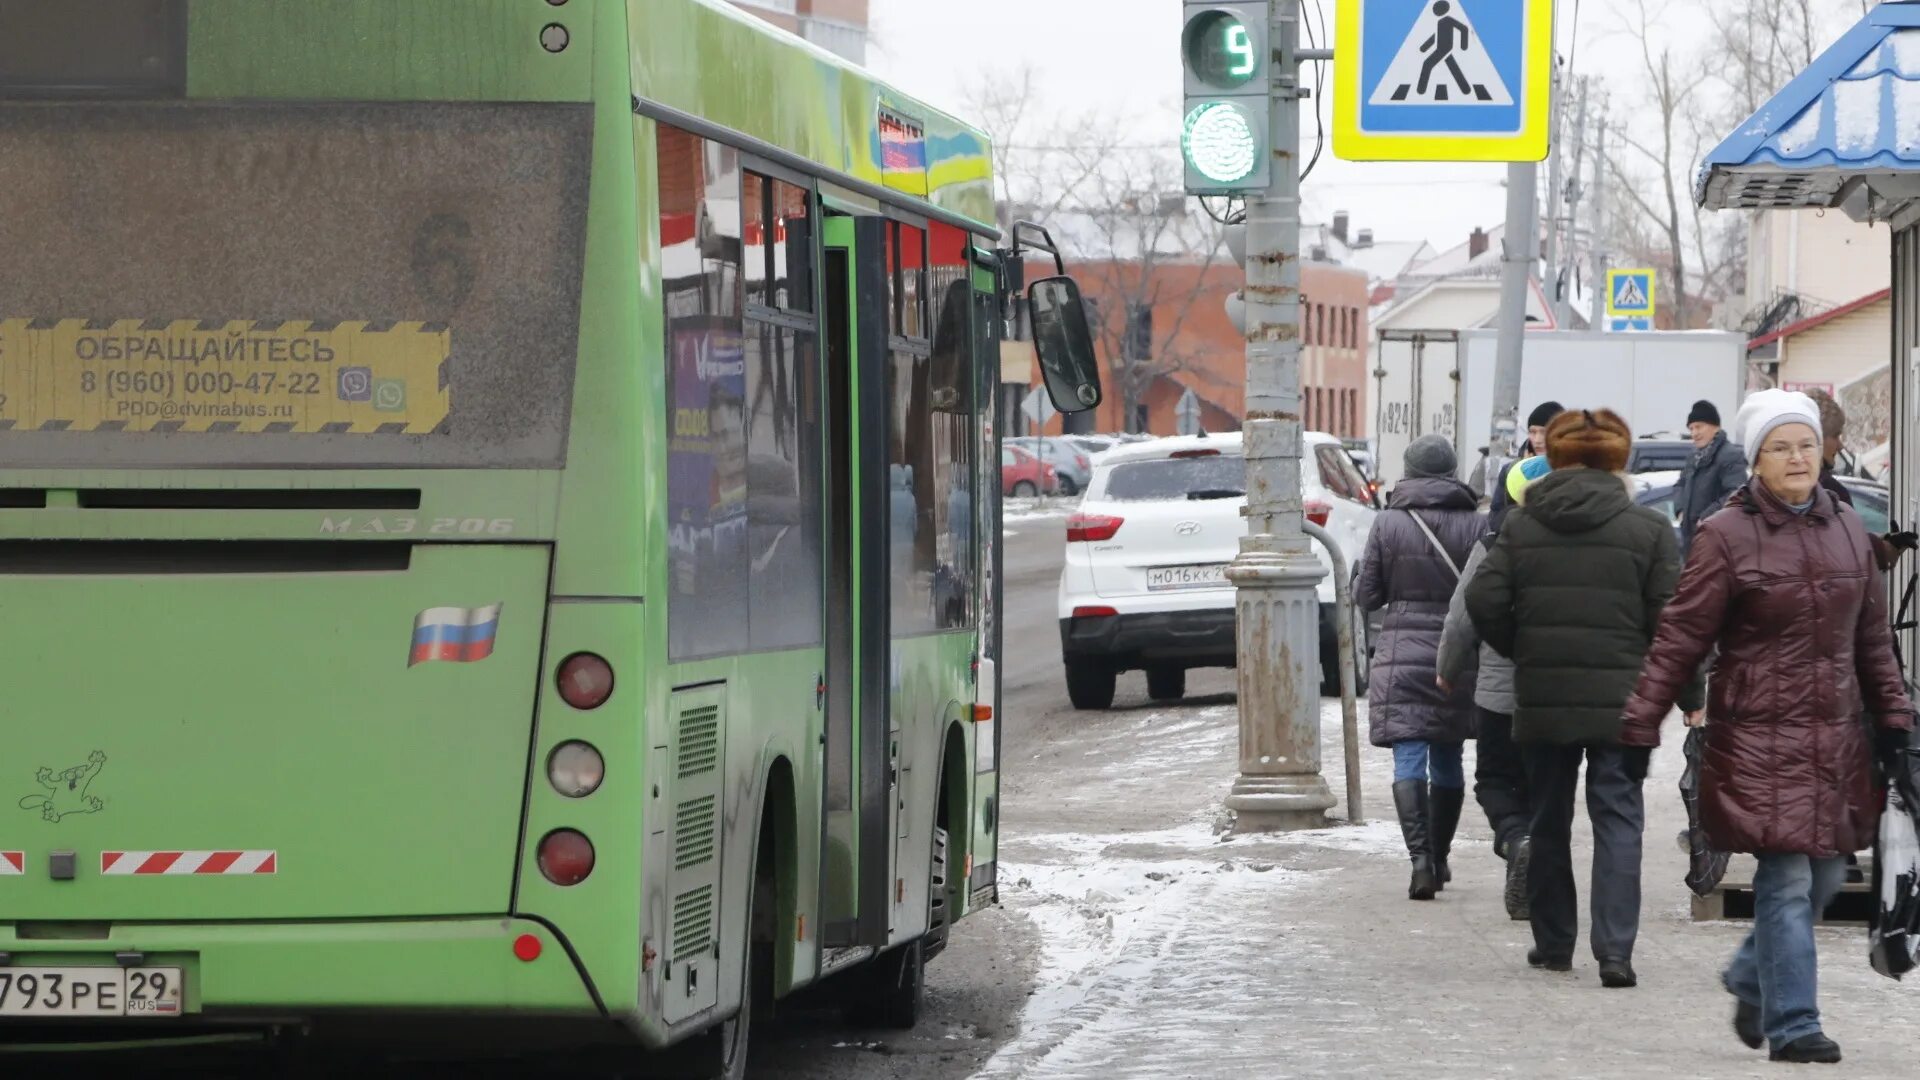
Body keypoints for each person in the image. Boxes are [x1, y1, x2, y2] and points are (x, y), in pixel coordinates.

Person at [1623, 389, 1914, 1063]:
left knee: (1827, 876)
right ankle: (1795, 1025)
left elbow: (1873, 640)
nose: (1797, 459)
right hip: (1757, 737)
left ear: (1823, 452)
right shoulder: (1724, 536)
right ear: (1755, 459)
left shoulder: (1846, 526)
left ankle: (1750, 975)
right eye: (1781, 447)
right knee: (1784, 881)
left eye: (1807, 445)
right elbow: (1679, 638)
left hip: (1836, 738)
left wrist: (1894, 721)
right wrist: (1640, 727)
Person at [1466, 408, 1688, 989]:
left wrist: (1522, 647)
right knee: (1619, 818)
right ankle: (1615, 952)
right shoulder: (1648, 529)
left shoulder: (1522, 525)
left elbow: (1483, 599)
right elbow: (1672, 620)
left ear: (1555, 459)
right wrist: (1691, 692)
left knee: (1548, 815)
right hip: (1625, 701)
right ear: (1621, 461)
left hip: (1544, 695)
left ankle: (1554, 942)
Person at [1356, 434, 1488, 901]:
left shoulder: (1388, 522)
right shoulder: (1477, 524)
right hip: (1456, 655)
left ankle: (1419, 863)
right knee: (1449, 754)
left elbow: (1367, 596)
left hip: (1401, 651)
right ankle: (1440, 853)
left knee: (1409, 753)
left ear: (1409, 471)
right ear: (1452, 471)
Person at [1437, 449, 1547, 922]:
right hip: (1556, 693)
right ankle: (1533, 875)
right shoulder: (1572, 544)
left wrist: (1448, 667)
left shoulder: (1492, 545)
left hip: (1500, 696)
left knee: (1495, 781)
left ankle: (1516, 840)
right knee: (1543, 786)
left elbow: (1463, 619)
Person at [1674, 399, 1747, 555]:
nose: (1694, 433)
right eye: (1691, 428)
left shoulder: (1729, 455)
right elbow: (1680, 484)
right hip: (1691, 539)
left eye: (1699, 427)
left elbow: (1736, 492)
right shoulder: (1694, 456)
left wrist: (1706, 518)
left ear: (1715, 427)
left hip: (1717, 539)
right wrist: (1680, 511)